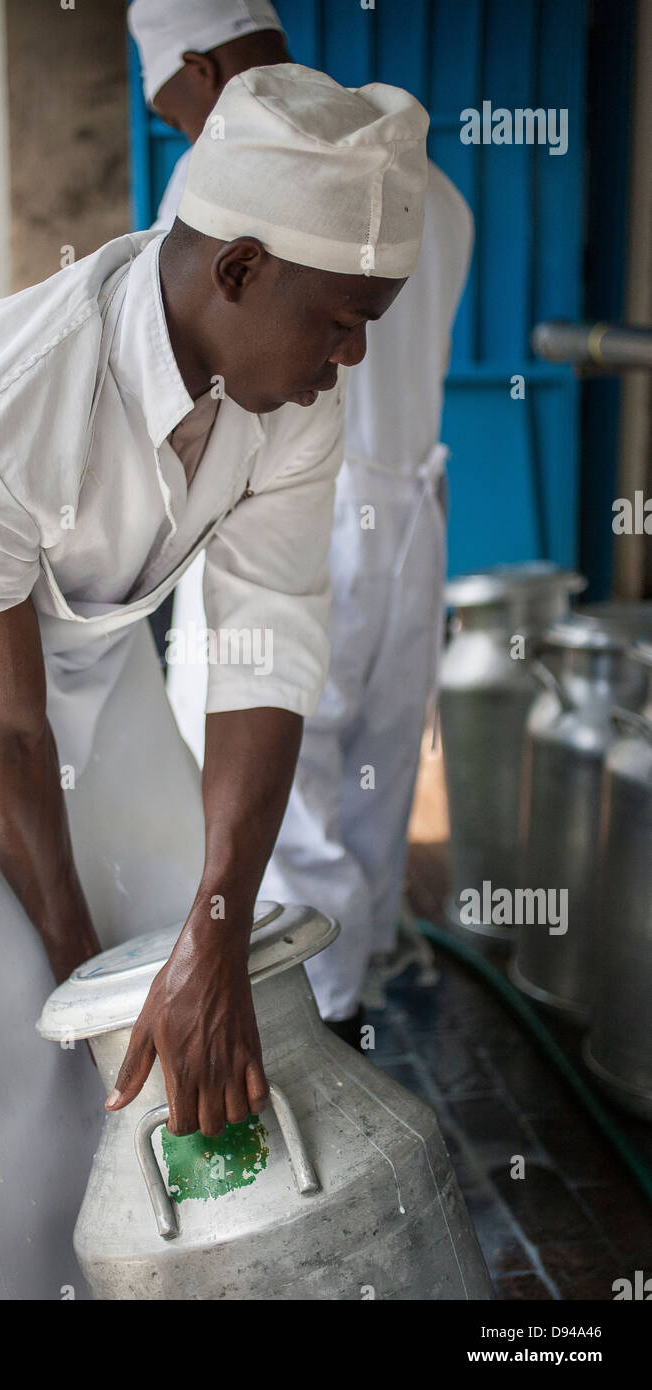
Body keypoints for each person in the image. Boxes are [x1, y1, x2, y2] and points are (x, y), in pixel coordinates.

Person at [0, 63, 428, 1297]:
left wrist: (212, 935)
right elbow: (7, 736)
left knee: (177, 956)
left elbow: (262, 647)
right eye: (341, 317)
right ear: (239, 267)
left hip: (83, 654)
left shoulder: (286, 393)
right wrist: (87, 993)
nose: (351, 357)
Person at [129, 0, 474, 1039]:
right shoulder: (426, 183)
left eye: (172, 106)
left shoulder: (229, 178)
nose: (182, 127)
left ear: (196, 68)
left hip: (297, 505)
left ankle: (304, 1040)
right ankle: (357, 995)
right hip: (410, 515)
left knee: (281, 793)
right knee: (369, 781)